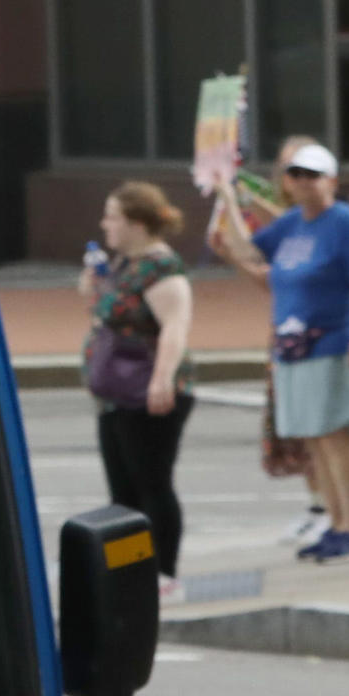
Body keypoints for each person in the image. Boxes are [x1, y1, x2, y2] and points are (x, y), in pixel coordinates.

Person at [209, 141, 349, 563]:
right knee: (314, 439)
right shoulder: (294, 224)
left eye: (312, 175)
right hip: (292, 345)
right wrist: (229, 199)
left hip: (330, 339)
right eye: (295, 175)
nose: (303, 182)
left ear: (332, 180)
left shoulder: (344, 222)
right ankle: (336, 524)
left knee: (334, 435)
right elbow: (250, 249)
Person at [84, 183, 199, 592]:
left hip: (148, 391)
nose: (105, 224)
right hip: (116, 395)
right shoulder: (124, 263)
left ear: (136, 223)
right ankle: (130, 574)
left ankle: (163, 574)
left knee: (152, 484)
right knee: (122, 494)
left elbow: (175, 326)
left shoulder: (161, 268)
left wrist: (162, 378)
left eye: (112, 216)